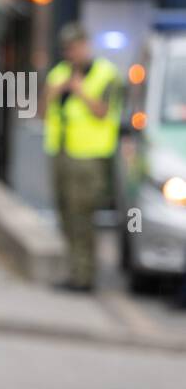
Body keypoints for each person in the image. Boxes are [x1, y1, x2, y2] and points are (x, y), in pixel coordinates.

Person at [42, 23, 122, 292]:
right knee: (65, 214)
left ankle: (85, 276)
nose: (70, 53)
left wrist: (79, 90)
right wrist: (58, 89)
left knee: (83, 217)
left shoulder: (106, 75)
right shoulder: (58, 74)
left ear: (86, 46)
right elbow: (41, 110)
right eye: (66, 48)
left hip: (90, 160)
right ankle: (74, 271)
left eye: (75, 47)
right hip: (62, 153)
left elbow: (102, 111)